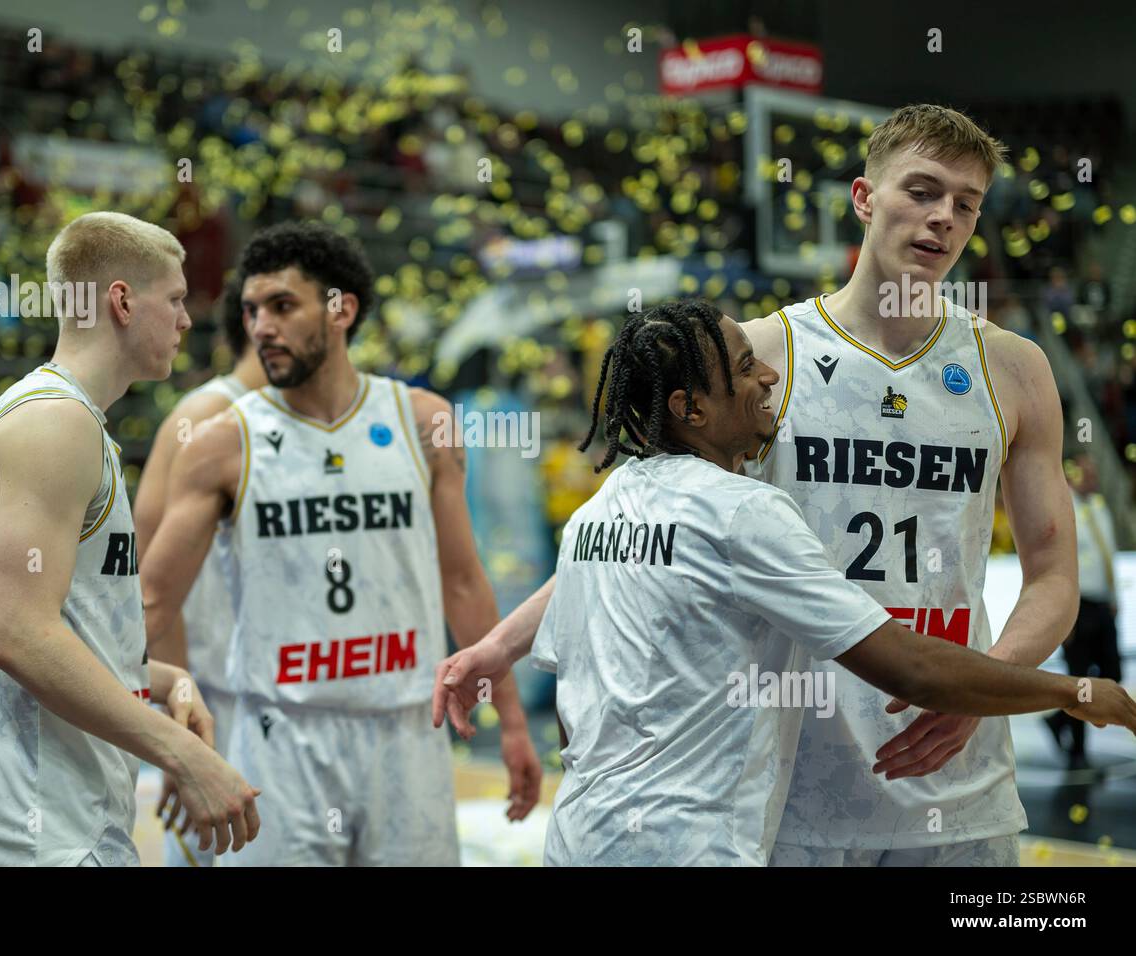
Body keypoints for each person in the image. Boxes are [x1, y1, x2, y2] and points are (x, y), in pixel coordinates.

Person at [448, 105, 1081, 867]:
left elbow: (1053, 579)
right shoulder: (755, 359)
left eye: (966, 203)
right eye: (922, 190)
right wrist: (498, 645)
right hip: (791, 784)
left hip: (960, 781)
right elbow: (648, 538)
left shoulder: (1013, 367)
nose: (943, 217)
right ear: (864, 197)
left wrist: (989, 689)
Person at [432, 300, 1136, 866]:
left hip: (583, 834)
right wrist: (1075, 692)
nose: (768, 377)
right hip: (693, 844)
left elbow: (571, 701)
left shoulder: (596, 514)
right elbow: (914, 667)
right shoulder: (742, 511)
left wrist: (497, 646)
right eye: (744, 369)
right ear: (692, 409)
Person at [140, 221, 542, 866]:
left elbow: (463, 581)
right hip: (279, 737)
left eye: (281, 306)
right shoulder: (221, 440)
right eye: (250, 310)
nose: (260, 327)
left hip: (410, 727)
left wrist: (515, 723)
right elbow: (153, 602)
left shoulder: (423, 421)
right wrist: (164, 742)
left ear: (340, 310)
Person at [0, 211, 260, 866]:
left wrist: (170, 680)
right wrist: (182, 753)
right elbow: (21, 635)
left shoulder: (59, 416)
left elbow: (37, 629)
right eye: (177, 299)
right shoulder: (58, 422)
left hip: (35, 816)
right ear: (122, 301)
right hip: (36, 836)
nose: (188, 320)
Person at [134, 284, 267, 867]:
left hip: (276, 697)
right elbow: (147, 585)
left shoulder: (310, 419)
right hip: (214, 697)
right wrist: (179, 731)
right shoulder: (207, 415)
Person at [1044, 453, 1121, 770]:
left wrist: (1113, 595)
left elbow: (1108, 554)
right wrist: (1064, 614)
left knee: (1112, 673)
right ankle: (1077, 749)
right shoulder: (1064, 511)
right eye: (1086, 472)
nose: (1093, 477)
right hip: (1077, 606)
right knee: (1078, 679)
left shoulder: (1099, 507)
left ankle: (1058, 720)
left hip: (1102, 605)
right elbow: (1060, 566)